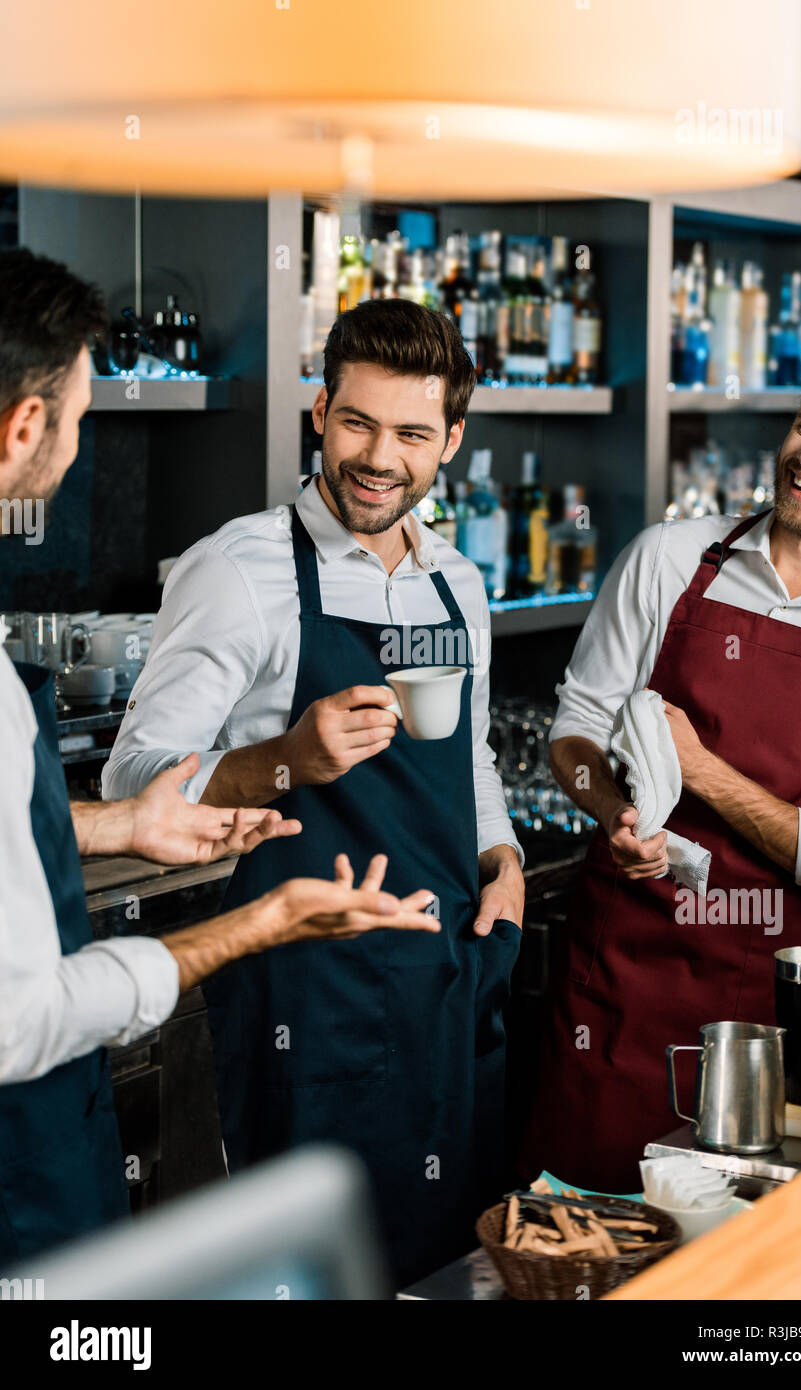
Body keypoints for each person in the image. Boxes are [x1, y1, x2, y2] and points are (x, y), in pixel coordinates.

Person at [0, 248, 439, 1265]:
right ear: (28, 426)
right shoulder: (237, 567)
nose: (74, 447)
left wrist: (117, 825)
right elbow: (24, 1022)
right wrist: (258, 923)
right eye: (77, 415)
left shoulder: (455, 576)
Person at [103, 297, 525, 1284]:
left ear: (452, 440)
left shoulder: (459, 582)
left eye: (413, 433)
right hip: (309, 993)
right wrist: (286, 757)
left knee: (444, 1264)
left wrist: (501, 859)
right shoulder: (239, 569)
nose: (379, 458)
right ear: (319, 409)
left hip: (446, 979)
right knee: (320, 1269)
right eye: (357, 422)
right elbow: (136, 779)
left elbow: (468, 763)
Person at [520, 356, 801, 1195]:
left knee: (720, 1271)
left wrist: (700, 773)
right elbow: (574, 727)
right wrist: (612, 812)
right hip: (613, 988)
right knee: (571, 1238)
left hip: (760, 1021)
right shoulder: (670, 558)